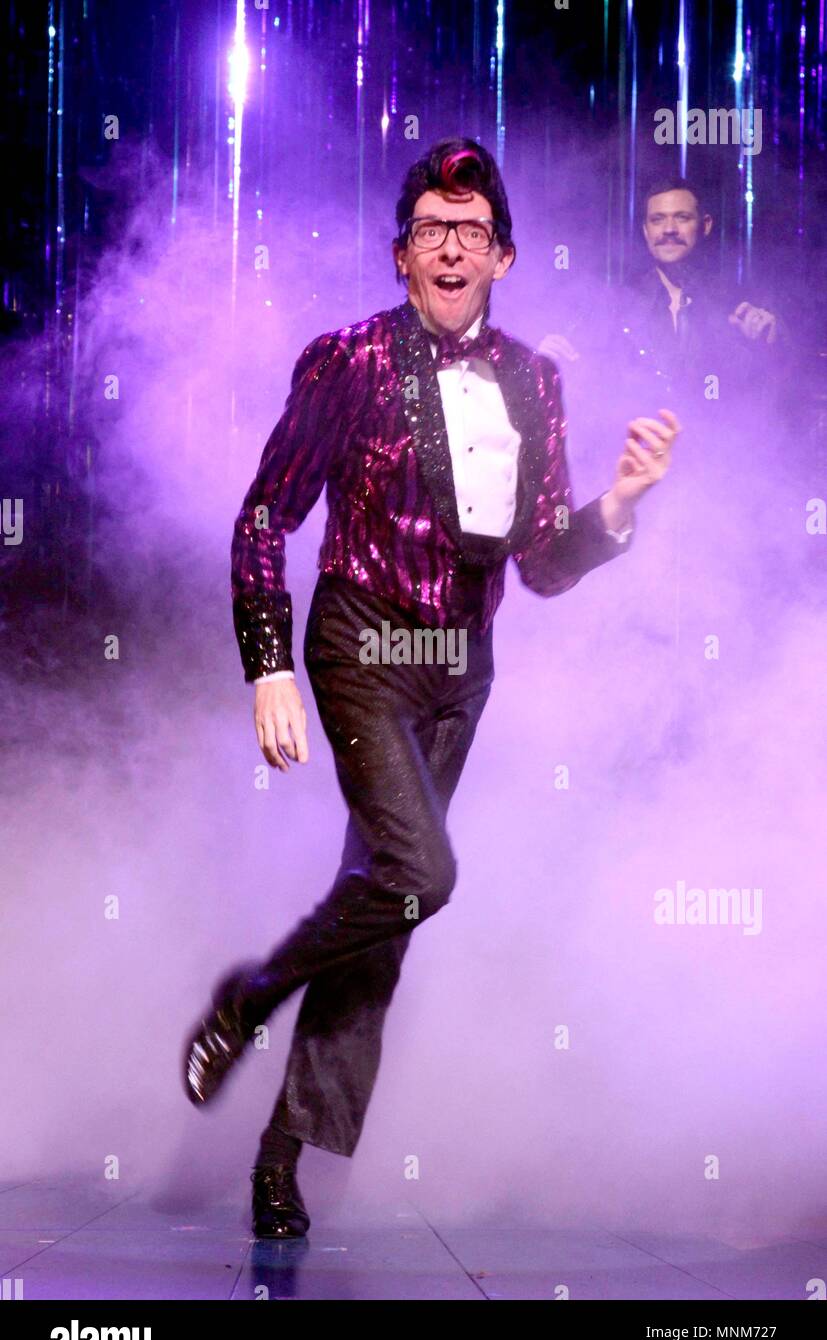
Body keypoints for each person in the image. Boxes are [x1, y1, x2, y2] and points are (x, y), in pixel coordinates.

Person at [182, 137, 681, 1240]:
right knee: (422, 870)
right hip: (358, 644)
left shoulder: (533, 382)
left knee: (388, 915)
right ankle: (249, 995)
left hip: (463, 671)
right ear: (400, 253)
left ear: (502, 257)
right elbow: (266, 514)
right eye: (429, 229)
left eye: (470, 231)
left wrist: (620, 503)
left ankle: (280, 1156)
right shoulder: (345, 360)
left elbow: (544, 565)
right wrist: (268, 660)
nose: (449, 247)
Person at [539, 176, 782, 409]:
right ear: (646, 231)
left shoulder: (737, 302)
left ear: (705, 225)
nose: (669, 229)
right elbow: (587, 382)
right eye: (657, 220)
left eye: (682, 218)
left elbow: (775, 396)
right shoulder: (617, 303)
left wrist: (772, 343)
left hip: (720, 444)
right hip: (636, 444)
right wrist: (546, 363)